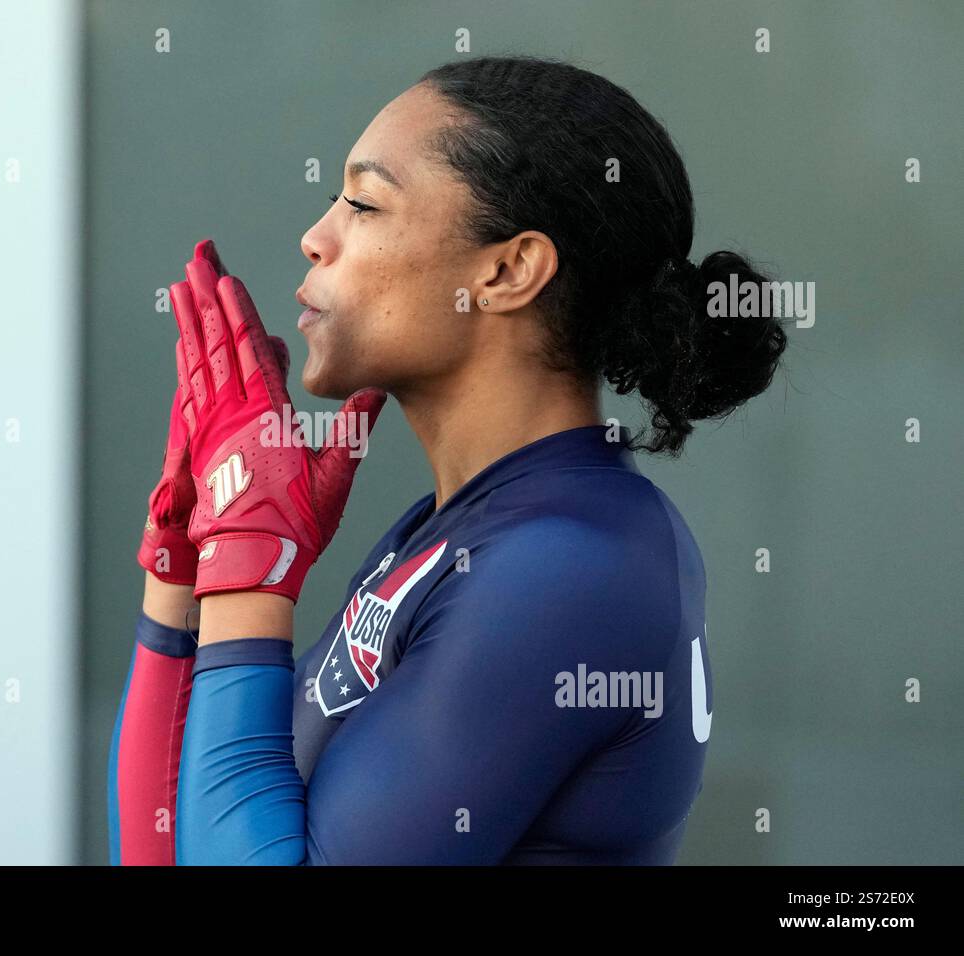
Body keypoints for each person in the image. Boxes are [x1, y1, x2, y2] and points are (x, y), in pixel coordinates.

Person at [108, 55, 787, 865]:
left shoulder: (570, 565)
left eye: (363, 202)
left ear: (506, 270)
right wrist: (187, 572)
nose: (316, 237)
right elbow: (171, 848)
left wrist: (254, 567)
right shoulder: (456, 529)